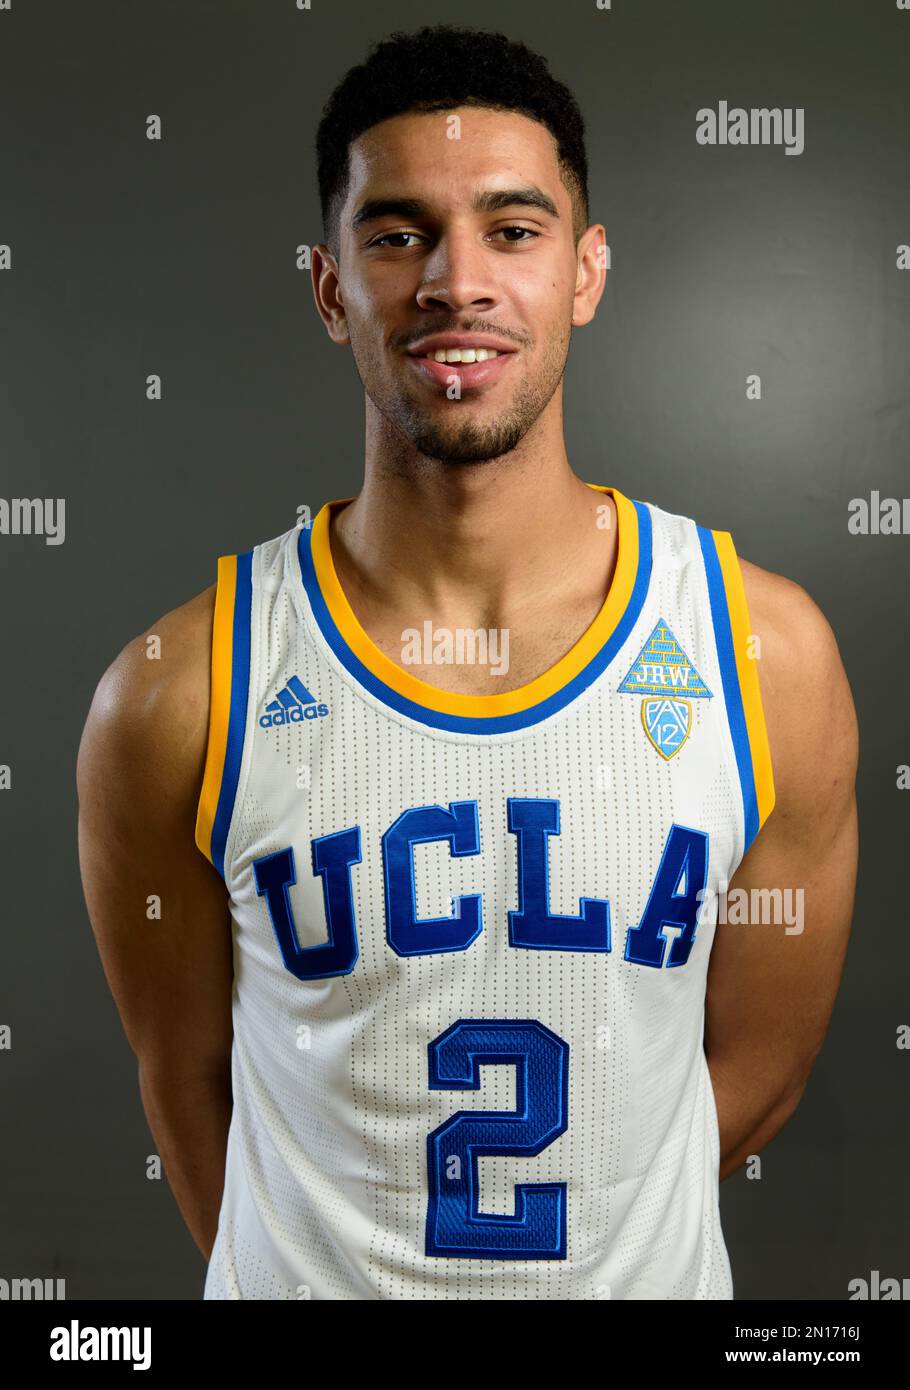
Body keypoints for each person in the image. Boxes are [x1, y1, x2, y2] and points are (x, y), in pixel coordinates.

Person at [77, 25, 858, 1300]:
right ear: (331, 289)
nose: (456, 282)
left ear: (585, 272)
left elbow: (754, 1074)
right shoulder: (178, 692)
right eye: (396, 235)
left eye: (512, 228)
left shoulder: (761, 654)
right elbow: (188, 1086)